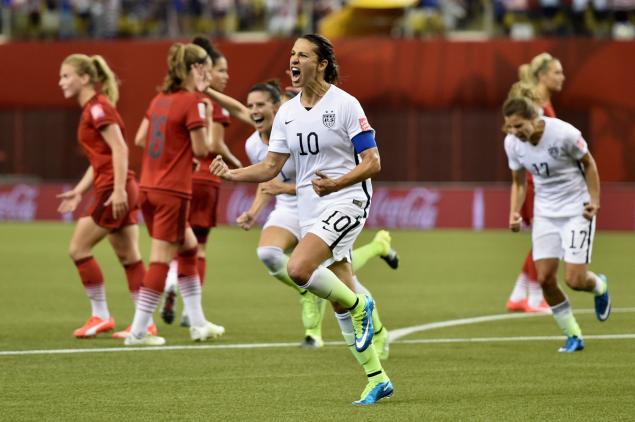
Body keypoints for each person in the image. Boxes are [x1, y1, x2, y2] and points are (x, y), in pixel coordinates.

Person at [211, 34, 393, 405]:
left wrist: (337, 182)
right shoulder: (288, 114)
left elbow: (372, 162)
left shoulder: (345, 105)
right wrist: (232, 175)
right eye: (292, 55)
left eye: (303, 55)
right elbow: (270, 167)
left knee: (298, 268)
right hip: (313, 206)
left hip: (347, 199)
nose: (294, 61)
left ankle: (363, 306)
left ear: (322, 63)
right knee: (340, 294)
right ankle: (377, 377)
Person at [124, 42, 222, 346]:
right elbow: (203, 148)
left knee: (189, 248)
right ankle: (138, 332)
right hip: (172, 191)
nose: (209, 71)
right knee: (161, 259)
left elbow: (141, 138)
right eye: (204, 65)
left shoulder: (159, 99)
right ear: (195, 69)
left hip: (149, 187)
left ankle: (198, 323)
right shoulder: (194, 101)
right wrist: (203, 104)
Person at [57, 53, 155, 339]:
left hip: (114, 189)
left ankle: (100, 315)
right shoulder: (95, 107)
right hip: (114, 186)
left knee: (78, 249)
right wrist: (79, 190)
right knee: (129, 256)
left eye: (66, 76)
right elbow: (101, 157)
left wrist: (120, 190)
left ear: (85, 78)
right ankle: (144, 323)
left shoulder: (97, 109)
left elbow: (121, 149)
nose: (60, 82)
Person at [503, 96, 611, 353]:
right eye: (509, 127)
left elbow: (589, 164)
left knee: (575, 279)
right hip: (545, 213)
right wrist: (514, 212)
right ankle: (573, 335)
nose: (515, 132)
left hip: (577, 210)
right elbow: (518, 181)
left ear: (533, 118)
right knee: (545, 279)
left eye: (519, 126)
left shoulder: (564, 134)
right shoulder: (513, 144)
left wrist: (594, 201)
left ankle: (600, 286)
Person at [161, 37, 242, 329]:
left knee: (176, 244)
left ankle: (170, 282)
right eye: (221, 70)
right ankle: (188, 311)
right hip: (207, 177)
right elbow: (214, 144)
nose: (225, 76)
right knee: (199, 248)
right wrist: (236, 163)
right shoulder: (210, 103)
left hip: (179, 177)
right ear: (206, 70)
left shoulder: (175, 98)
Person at [506, 52, 565, 313]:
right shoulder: (536, 107)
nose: (562, 77)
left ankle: (519, 295)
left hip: (536, 179)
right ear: (542, 75)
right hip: (538, 181)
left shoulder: (540, 101)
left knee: (541, 239)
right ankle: (534, 296)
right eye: (557, 72)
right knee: (547, 239)